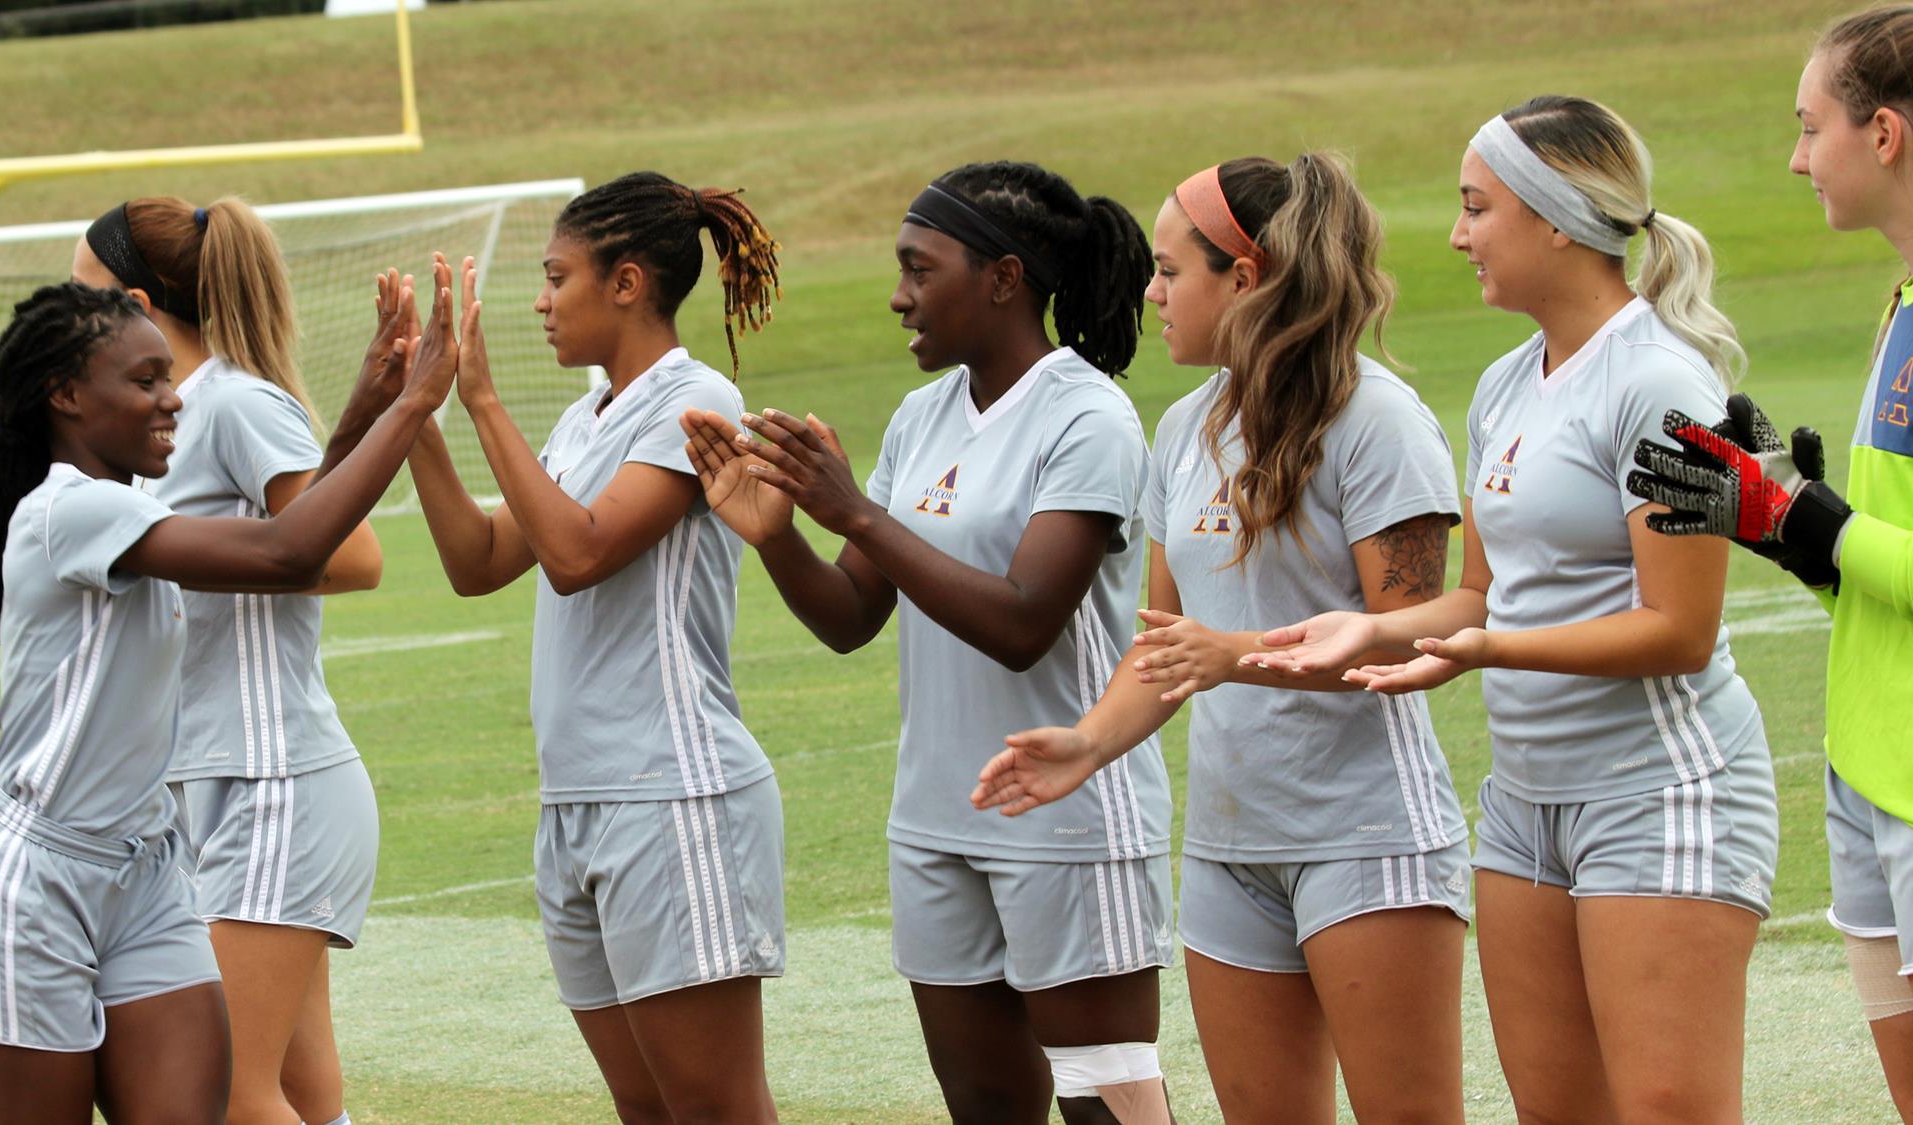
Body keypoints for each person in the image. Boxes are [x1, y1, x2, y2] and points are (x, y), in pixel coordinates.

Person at [1241, 97, 1779, 1120]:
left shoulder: (1665, 383)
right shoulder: (1499, 387)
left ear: (1552, 219)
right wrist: (1380, 626)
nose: (1455, 235)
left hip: (1660, 794)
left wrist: (1485, 648)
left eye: (1474, 207)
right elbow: (1477, 596)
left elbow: (1679, 632)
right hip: (1526, 807)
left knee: (1669, 1109)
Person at [970, 152, 1471, 1123]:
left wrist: (1233, 655)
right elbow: (1167, 645)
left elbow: (1411, 647)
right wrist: (1085, 742)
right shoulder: (1183, 428)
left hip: (1366, 844)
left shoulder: (1377, 421)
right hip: (1226, 853)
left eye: (1168, 270)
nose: (1149, 293)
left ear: (1242, 280)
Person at [682, 161, 1173, 1124]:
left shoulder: (1089, 417)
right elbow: (851, 618)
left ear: (1004, 277)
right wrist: (778, 534)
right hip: (935, 822)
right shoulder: (923, 416)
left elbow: (1025, 623)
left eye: (920, 268)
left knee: (1104, 1103)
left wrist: (858, 513)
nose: (899, 296)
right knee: (988, 1104)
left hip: (1066, 823)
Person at [0, 278, 452, 1125]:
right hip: (30, 885)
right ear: (65, 396)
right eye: (143, 382)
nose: (173, 399)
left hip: (145, 871)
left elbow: (291, 534)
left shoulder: (131, 509)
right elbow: (288, 550)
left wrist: (365, 406)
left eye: (168, 376)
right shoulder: (72, 510)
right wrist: (415, 404)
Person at [398, 173, 785, 1124]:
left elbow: (576, 554)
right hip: (577, 804)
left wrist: (484, 399)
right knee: (647, 1108)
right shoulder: (587, 417)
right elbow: (481, 559)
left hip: (671, 794)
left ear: (626, 283)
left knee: (716, 1108)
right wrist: (411, 415)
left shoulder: (696, 397)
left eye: (555, 275)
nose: (538, 299)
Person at [1627, 9, 1913, 1116]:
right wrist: (1797, 540)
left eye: (1809, 128)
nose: (1796, 158)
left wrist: (1813, 518)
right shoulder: (1898, 301)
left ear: (1880, 133)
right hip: (1867, 766)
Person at [70, 195, 397, 1125]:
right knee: (299, 1093)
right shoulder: (156, 425)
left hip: (275, 782)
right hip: (201, 789)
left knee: (218, 1093)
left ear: (133, 302)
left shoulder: (236, 401)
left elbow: (354, 555)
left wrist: (185, 563)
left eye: (78, 292)